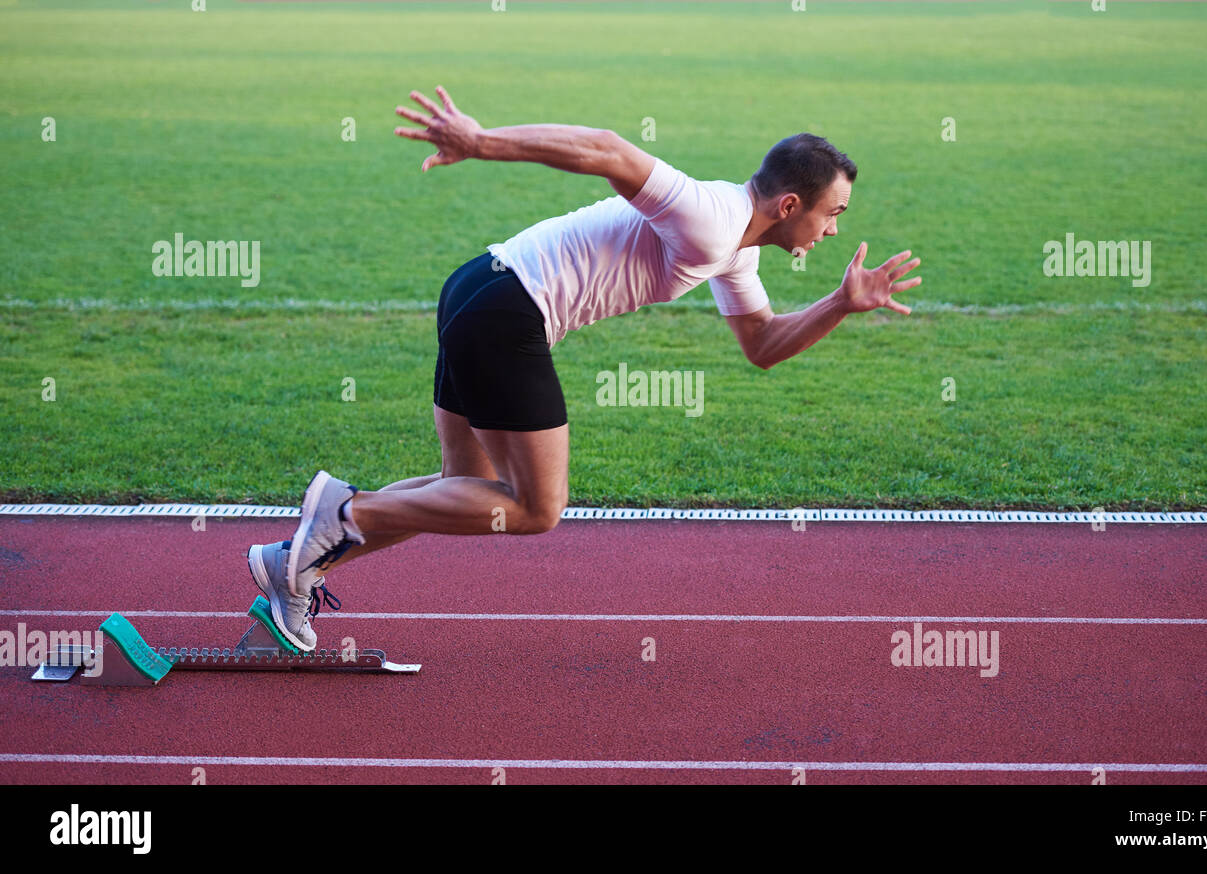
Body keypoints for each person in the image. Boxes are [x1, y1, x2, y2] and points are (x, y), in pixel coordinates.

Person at [247, 86, 922, 651]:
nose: (832, 231)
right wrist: (481, 142)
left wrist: (839, 303)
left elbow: (763, 345)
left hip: (478, 286)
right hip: (511, 312)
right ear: (790, 207)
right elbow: (607, 148)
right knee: (537, 507)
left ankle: (296, 564)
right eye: (833, 214)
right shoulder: (713, 219)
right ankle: (341, 512)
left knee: (465, 488)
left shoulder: (733, 247)